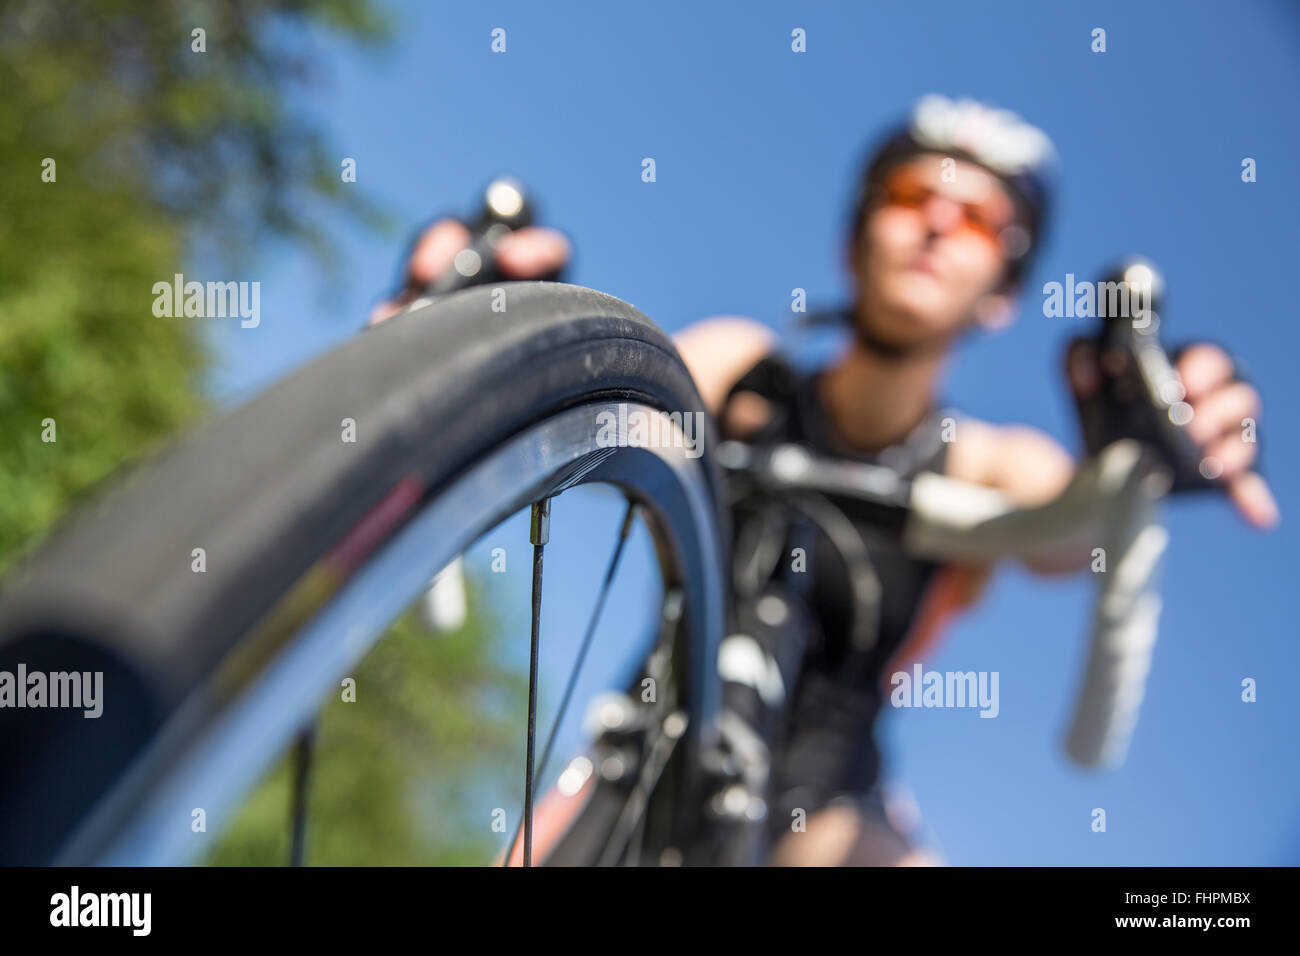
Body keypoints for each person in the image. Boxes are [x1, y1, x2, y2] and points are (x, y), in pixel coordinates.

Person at [370, 94, 1276, 866]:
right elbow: (605, 394)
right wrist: (499, 333)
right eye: (913, 194)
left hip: (839, 819)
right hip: (637, 760)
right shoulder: (738, 372)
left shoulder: (986, 460)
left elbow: (1066, 529)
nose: (935, 224)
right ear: (855, 241)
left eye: (981, 220)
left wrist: (1142, 448)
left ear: (1002, 292)